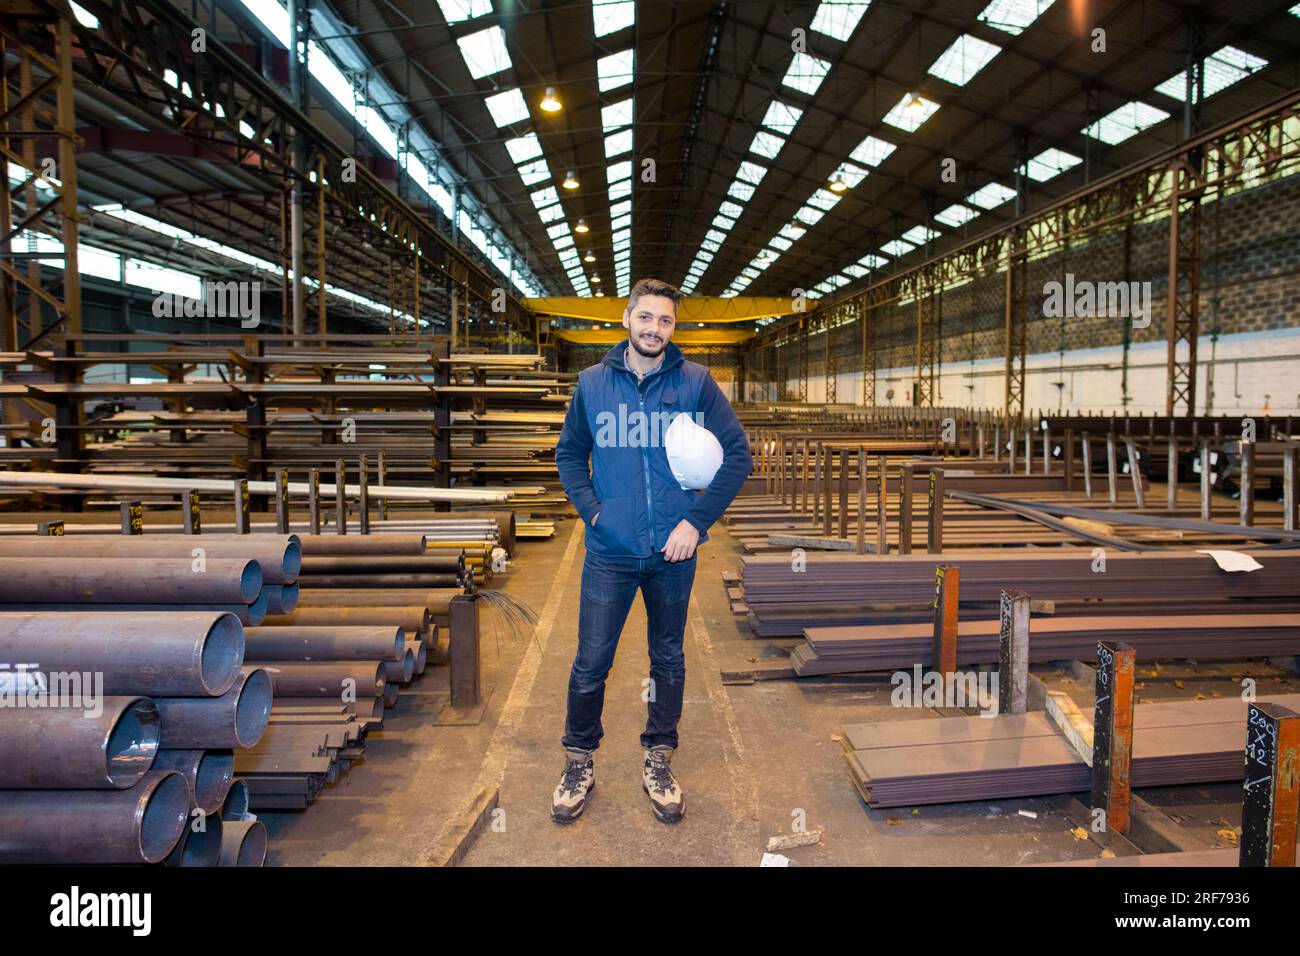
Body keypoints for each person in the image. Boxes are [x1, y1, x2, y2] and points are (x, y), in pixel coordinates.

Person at [551, 277, 753, 824]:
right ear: (626, 319)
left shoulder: (695, 383)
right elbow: (569, 454)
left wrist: (695, 521)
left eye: (665, 321)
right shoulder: (592, 384)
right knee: (592, 661)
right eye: (646, 318)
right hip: (610, 552)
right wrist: (595, 513)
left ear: (673, 327)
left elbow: (739, 455)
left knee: (667, 658)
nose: (654, 329)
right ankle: (579, 759)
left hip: (673, 554)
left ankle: (659, 757)